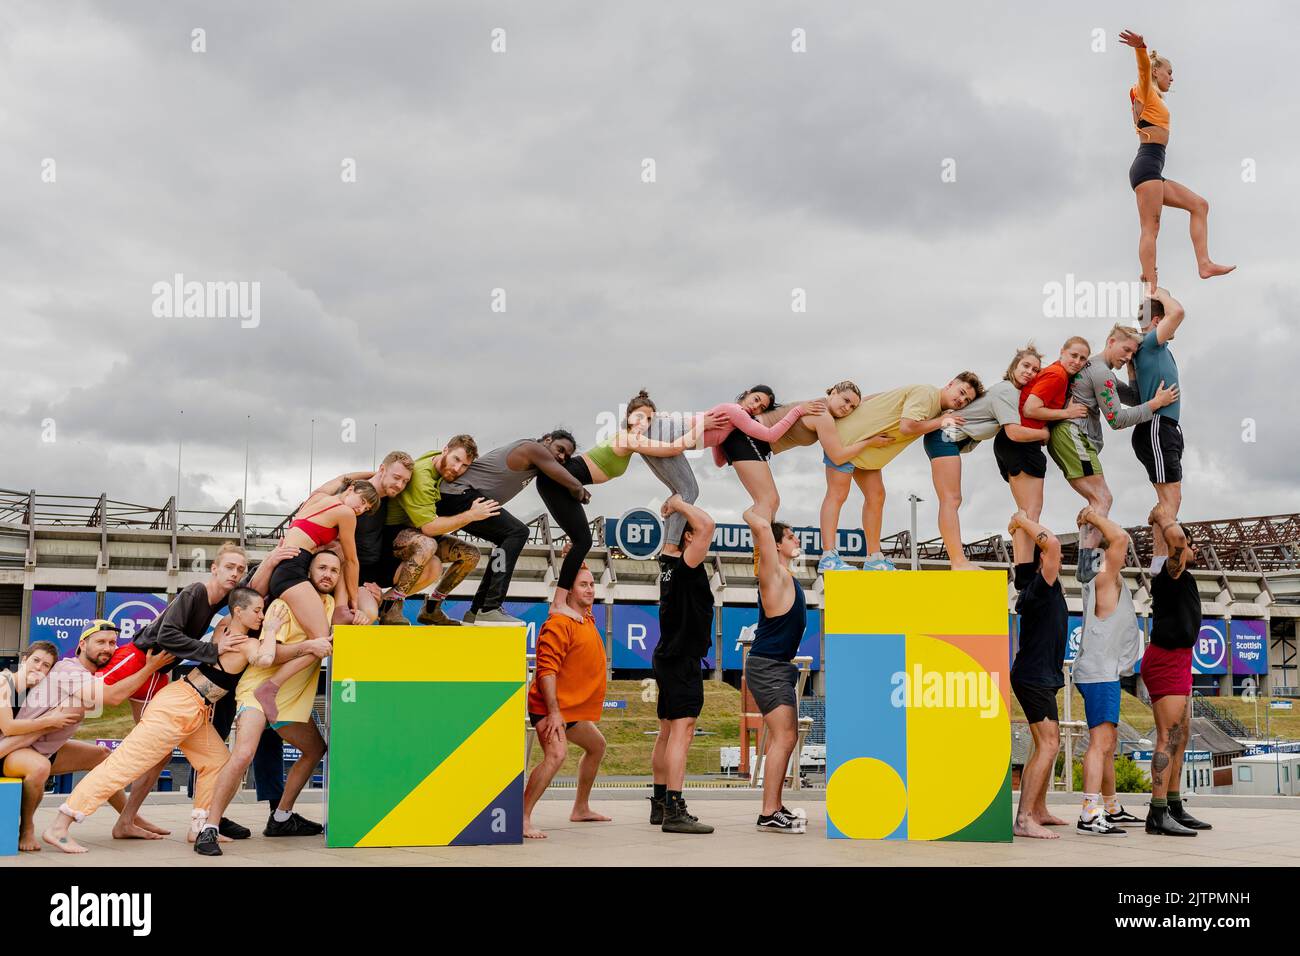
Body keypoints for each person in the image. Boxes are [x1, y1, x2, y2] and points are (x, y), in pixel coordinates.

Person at [39, 590, 281, 855]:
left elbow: (240, 596)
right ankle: (60, 826)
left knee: (217, 762)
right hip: (176, 707)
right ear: (238, 611)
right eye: (257, 610)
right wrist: (272, 629)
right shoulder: (242, 641)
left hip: (195, 709)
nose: (261, 615)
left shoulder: (226, 631)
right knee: (123, 766)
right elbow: (266, 658)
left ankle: (200, 827)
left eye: (263, 611)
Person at [93, 541, 253, 839]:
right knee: (82, 699)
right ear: (214, 568)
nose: (235, 573)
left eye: (240, 570)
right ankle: (87, 815)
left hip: (157, 671)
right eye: (229, 567)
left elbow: (253, 591)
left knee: (158, 753)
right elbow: (167, 634)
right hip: (140, 661)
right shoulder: (196, 591)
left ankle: (126, 820)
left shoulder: (223, 597)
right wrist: (212, 649)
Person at [200, 551, 338, 853]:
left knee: (315, 749)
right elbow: (269, 652)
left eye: (334, 570)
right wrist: (310, 645)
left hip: (292, 698)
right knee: (244, 752)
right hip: (260, 689)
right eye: (322, 568)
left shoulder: (328, 605)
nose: (328, 574)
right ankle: (208, 826)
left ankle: (282, 816)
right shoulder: (284, 603)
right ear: (307, 572)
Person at [535, 391, 715, 621]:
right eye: (640, 417)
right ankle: (558, 603)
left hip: (563, 485)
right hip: (558, 482)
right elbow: (674, 448)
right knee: (584, 541)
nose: (645, 423)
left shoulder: (631, 441)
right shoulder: (629, 438)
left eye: (649, 420)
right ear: (629, 417)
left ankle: (562, 598)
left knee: (580, 542)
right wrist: (703, 424)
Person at [0, 622, 175, 852]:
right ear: (82, 644)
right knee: (40, 766)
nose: (108, 648)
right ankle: (27, 828)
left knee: (103, 757)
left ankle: (127, 819)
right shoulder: (68, 670)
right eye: (100, 642)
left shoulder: (90, 675)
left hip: (42, 747)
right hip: (20, 749)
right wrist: (149, 668)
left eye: (112, 643)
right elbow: (112, 697)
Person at [1051, 326, 1178, 582]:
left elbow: (1131, 396)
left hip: (1068, 438)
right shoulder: (1101, 373)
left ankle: (1087, 563)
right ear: (1110, 342)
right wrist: (1156, 404)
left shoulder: (1099, 370)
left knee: (1098, 500)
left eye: (1133, 353)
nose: (1129, 356)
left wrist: (1132, 373)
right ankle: (1088, 565)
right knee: (1103, 499)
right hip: (1073, 436)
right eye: (1126, 350)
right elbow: (1117, 420)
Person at [1118, 29, 1234, 291]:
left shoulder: (1155, 98)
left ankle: (1204, 264)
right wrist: (1141, 48)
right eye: (1169, 72)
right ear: (1157, 71)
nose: (1172, 77)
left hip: (1154, 169)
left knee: (1199, 205)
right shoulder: (1145, 90)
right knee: (1151, 227)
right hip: (1146, 165)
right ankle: (1150, 284)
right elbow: (1143, 71)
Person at [439, 431, 589, 626]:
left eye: (566, 457)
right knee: (517, 532)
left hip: (458, 498)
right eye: (560, 449)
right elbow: (569, 481)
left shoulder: (536, 460)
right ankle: (490, 608)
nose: (561, 457)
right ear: (547, 440)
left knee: (505, 540)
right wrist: (580, 490)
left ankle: (477, 610)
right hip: (459, 493)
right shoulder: (532, 448)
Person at [831, 376, 982, 570]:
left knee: (876, 496)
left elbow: (883, 397)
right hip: (849, 441)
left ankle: (874, 558)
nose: (962, 400)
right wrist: (941, 421)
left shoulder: (934, 405)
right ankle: (830, 554)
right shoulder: (928, 394)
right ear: (951, 383)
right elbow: (907, 426)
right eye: (962, 392)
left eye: (967, 400)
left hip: (866, 450)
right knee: (837, 497)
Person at [645, 386, 824, 545]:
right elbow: (770, 436)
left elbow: (719, 462)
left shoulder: (732, 420)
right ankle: (670, 550)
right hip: (666, 432)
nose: (756, 407)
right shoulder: (735, 410)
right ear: (746, 394)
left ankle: (668, 547)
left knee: (682, 494)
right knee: (688, 492)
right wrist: (798, 411)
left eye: (761, 407)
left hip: (663, 436)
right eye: (756, 399)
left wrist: (721, 438)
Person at [728, 382, 876, 571]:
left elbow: (864, 403)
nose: (847, 408)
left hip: (751, 442)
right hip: (746, 438)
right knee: (767, 501)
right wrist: (869, 442)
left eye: (852, 406)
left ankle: (762, 558)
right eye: (845, 401)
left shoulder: (822, 406)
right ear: (833, 392)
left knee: (771, 502)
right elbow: (838, 456)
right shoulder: (821, 414)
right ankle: (763, 560)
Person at [522, 565, 611, 839]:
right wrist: (553, 712)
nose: (590, 589)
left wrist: (576, 560)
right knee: (556, 755)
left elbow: (577, 574)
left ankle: (581, 808)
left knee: (596, 746)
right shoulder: (559, 623)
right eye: (583, 584)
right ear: (568, 592)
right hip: (550, 707)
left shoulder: (585, 618)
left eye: (592, 584)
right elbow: (546, 671)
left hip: (570, 708)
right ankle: (522, 817)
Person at [1071, 507, 1144, 836]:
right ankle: (1089, 811)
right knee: (1100, 742)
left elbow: (1097, 547)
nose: (1125, 556)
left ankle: (1110, 806)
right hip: (1100, 672)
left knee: (1108, 741)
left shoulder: (1092, 574)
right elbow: (1121, 538)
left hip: (1102, 669)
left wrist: (1089, 527)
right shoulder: (1105, 577)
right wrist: (1094, 515)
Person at [648, 495, 716, 835]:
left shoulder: (667, 560)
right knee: (682, 731)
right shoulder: (687, 564)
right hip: (681, 657)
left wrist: (674, 513)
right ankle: (675, 808)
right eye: (696, 534)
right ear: (688, 537)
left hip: (667, 654)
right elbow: (708, 525)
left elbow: (695, 528)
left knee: (665, 732)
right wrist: (678, 501)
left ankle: (660, 804)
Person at [1143, 504, 1211, 836]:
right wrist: (1163, 514)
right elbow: (1177, 540)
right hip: (1166, 659)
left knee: (1181, 737)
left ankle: (1173, 805)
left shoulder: (1169, 572)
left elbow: (1166, 543)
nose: (1193, 549)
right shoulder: (1173, 572)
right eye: (1191, 546)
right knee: (1168, 738)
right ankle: (1157, 814)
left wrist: (1157, 522)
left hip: (1180, 659)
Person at [378, 436, 496, 626]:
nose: (458, 469)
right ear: (444, 450)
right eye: (456, 459)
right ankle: (391, 606)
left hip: (418, 531)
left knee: (471, 554)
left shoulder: (437, 461)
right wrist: (471, 515)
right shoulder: (421, 479)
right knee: (428, 544)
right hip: (394, 534)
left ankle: (432, 608)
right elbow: (429, 528)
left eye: (465, 465)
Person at [742, 509, 808, 832]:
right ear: (777, 544)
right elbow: (756, 521)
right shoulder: (774, 575)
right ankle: (768, 811)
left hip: (777, 666)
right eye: (791, 536)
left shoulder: (789, 577)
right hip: (768, 666)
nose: (797, 539)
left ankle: (775, 806)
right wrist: (763, 507)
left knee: (783, 738)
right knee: (785, 736)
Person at [1006, 512, 1069, 839]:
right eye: (1050, 555)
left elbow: (1026, 559)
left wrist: (1018, 527)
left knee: (1046, 744)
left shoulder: (1031, 582)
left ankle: (1038, 810)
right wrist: (1022, 519)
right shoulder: (1042, 585)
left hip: (1040, 676)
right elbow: (1053, 543)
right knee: (1048, 744)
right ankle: (1024, 819)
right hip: (1034, 678)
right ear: (1044, 558)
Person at [998, 342, 1088, 564]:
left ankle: (1025, 570)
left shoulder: (1057, 375)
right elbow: (1030, 409)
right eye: (1073, 355)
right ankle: (1025, 574)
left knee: (1028, 513)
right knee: (1029, 514)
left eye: (1083, 358)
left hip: (1019, 444)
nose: (1077, 361)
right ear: (1062, 353)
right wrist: (1067, 413)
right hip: (1022, 444)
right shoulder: (1057, 374)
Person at [311, 451, 415, 625]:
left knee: (369, 613)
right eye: (396, 477)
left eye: (405, 481)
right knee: (340, 550)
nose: (399, 485)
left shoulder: (391, 500)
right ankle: (341, 608)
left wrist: (380, 590)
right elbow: (321, 494)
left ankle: (386, 604)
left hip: (365, 572)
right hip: (335, 564)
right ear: (382, 469)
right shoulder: (351, 496)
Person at [1129, 288, 1187, 564]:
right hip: (1157, 427)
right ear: (1157, 322)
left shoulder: (1159, 348)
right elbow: (1178, 312)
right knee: (1171, 499)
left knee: (1171, 500)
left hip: (1166, 428)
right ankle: (1161, 562)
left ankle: (1159, 562)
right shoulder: (1150, 343)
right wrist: (1159, 292)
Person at [0, 641, 59, 761]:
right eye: (36, 660)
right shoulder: (4, 681)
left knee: (99, 753)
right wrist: (49, 722)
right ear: (24, 660)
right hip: (5, 747)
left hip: (9, 746)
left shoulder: (32, 691)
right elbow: (8, 727)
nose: (38, 667)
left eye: (46, 665)